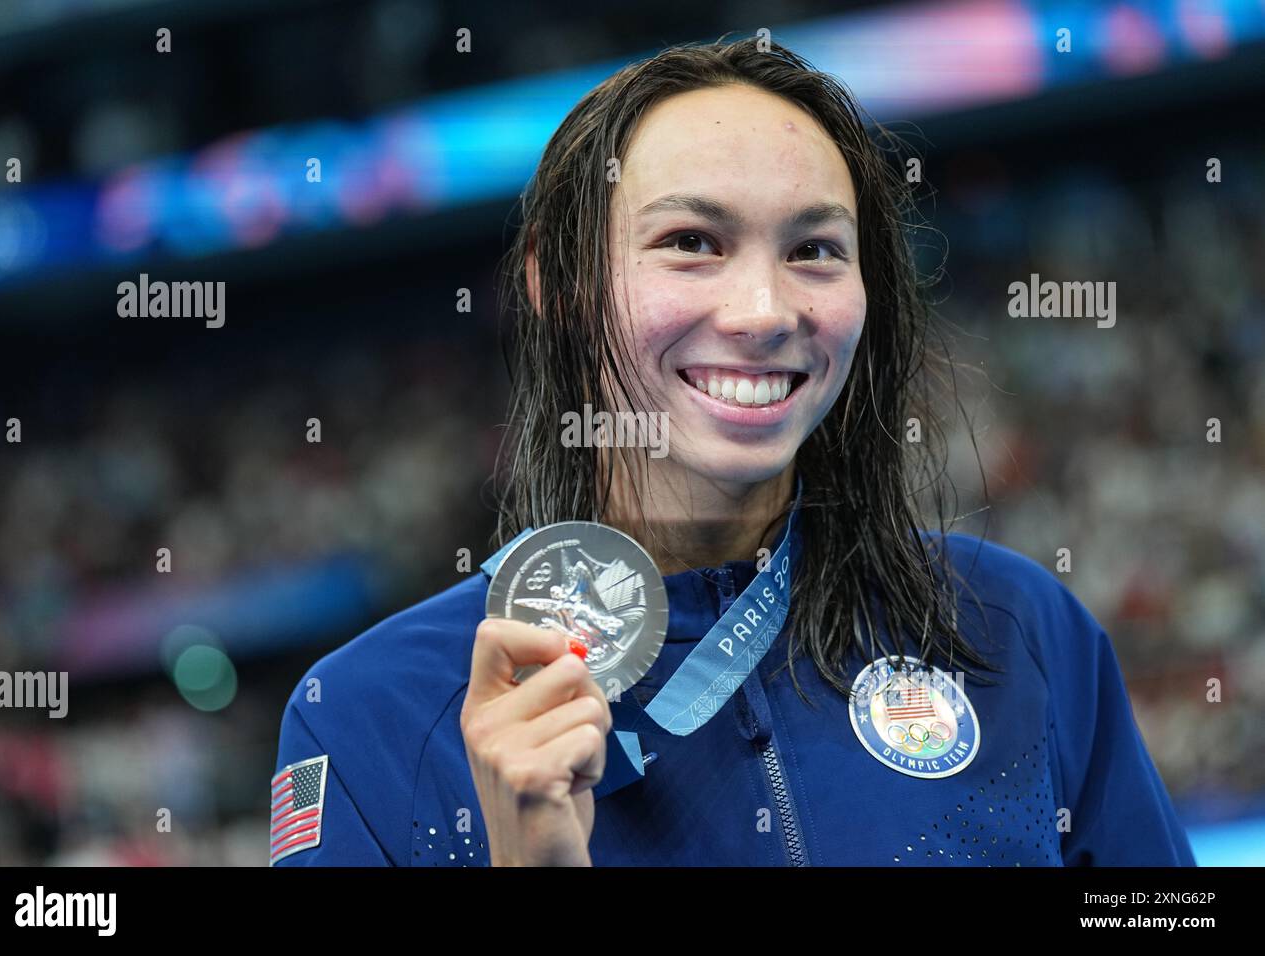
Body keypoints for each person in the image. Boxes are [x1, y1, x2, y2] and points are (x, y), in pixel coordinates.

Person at [271, 36, 1195, 867]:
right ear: (560, 284)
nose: (763, 313)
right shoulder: (367, 719)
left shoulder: (1018, 629)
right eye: (691, 242)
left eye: (816, 250)